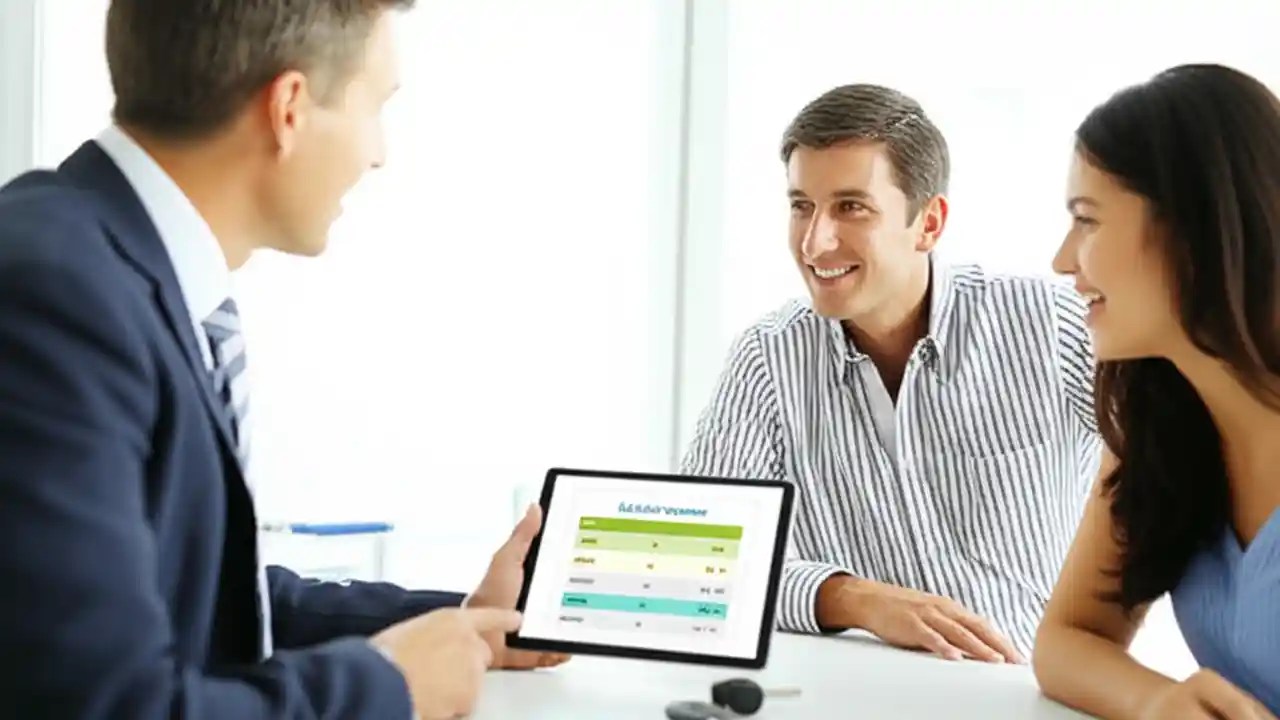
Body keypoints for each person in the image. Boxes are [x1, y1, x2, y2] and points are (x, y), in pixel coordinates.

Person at [0, 1, 564, 718]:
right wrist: (389, 689)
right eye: (375, 107)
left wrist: (463, 624)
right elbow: (103, 705)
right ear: (290, 108)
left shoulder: (111, 267)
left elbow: (197, 594)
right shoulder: (57, 294)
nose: (378, 152)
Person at [681, 83, 1100, 662]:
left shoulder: (1051, 326)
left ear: (928, 223)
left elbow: (1187, 471)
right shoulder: (768, 360)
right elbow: (702, 563)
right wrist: (850, 598)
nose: (814, 240)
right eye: (801, 204)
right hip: (866, 698)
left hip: (1028, 693)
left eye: (851, 207)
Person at [1034, 63, 1280, 719]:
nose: (1063, 260)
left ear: (1192, 228)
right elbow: (1067, 638)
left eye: (1087, 220)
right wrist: (1158, 702)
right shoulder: (1160, 426)